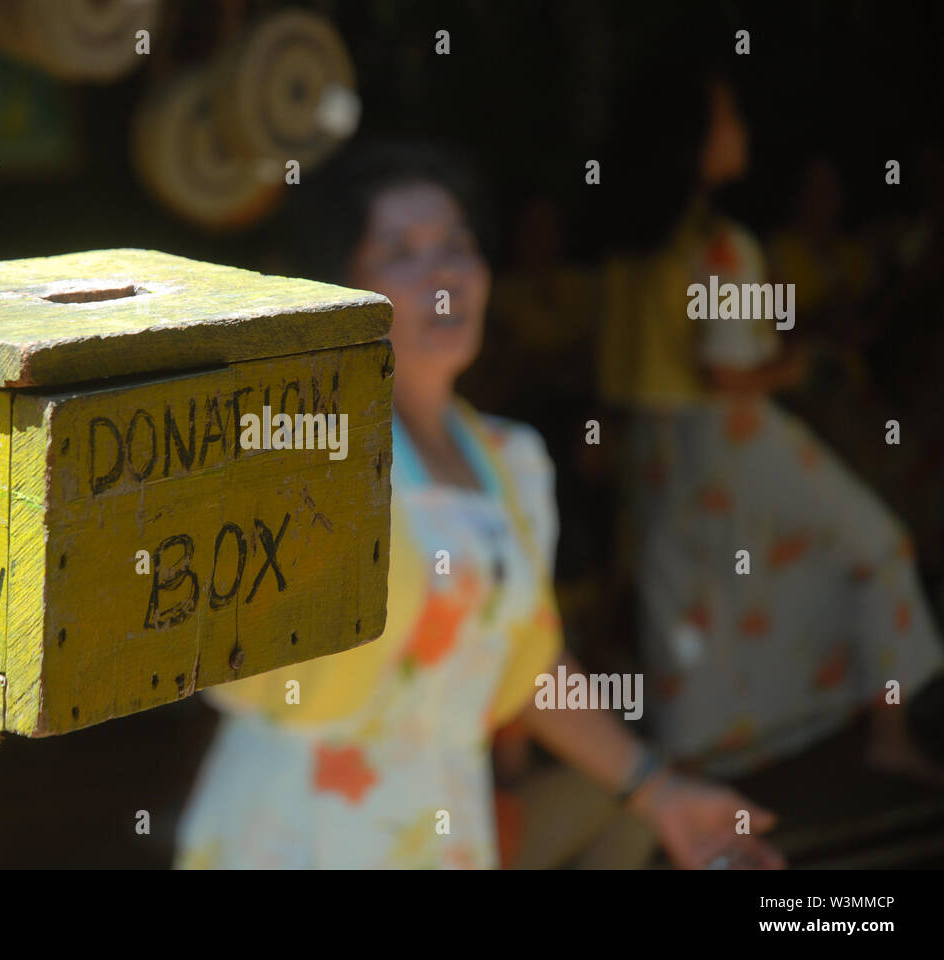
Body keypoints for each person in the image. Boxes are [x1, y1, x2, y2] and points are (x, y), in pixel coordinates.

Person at [174, 139, 785, 869]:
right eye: (400, 252)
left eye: (457, 246)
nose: (442, 277)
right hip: (296, 829)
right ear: (339, 289)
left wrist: (659, 793)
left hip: (444, 829)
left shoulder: (512, 462)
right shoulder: (304, 448)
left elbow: (525, 665)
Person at [597, 63, 944, 785]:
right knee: (875, 546)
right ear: (695, 140)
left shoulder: (630, 251)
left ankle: (693, 767)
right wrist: (792, 368)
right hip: (728, 438)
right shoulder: (720, 245)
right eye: (728, 118)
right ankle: (887, 729)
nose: (741, 131)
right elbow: (727, 374)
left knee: (689, 599)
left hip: (653, 450)